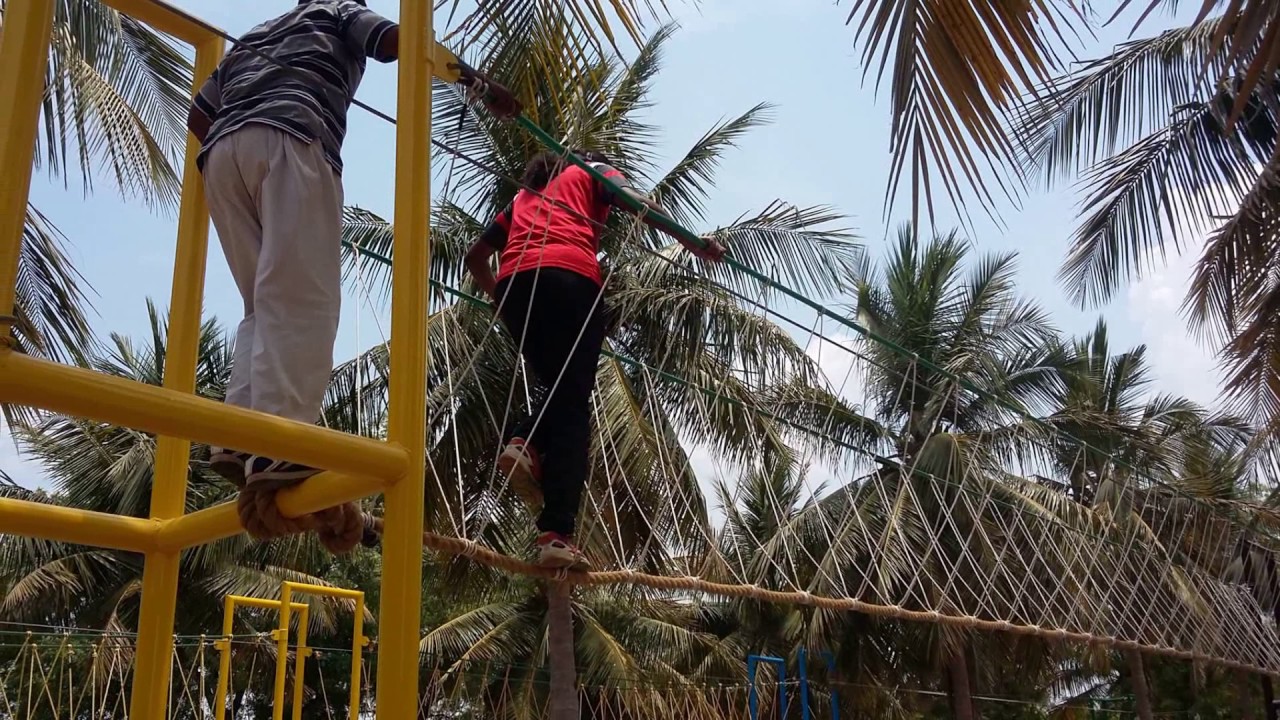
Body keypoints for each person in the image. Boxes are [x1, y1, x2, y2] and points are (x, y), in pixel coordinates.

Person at [186, 1, 399, 532]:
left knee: (263, 304)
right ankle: (281, 443)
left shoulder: (259, 29)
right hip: (291, 136)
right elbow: (391, 43)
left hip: (222, 156)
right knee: (303, 300)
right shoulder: (340, 9)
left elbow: (198, 112)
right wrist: (455, 71)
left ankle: (241, 436)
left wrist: (244, 124)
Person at [465, 150, 726, 570]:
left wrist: (502, 299)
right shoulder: (591, 171)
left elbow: (474, 257)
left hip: (515, 287)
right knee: (573, 407)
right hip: (569, 278)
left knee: (563, 388)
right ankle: (556, 532)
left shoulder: (522, 198)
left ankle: (525, 442)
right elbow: (639, 203)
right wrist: (693, 243)